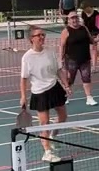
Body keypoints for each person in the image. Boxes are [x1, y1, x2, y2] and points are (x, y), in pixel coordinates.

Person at [20, 26, 71, 163]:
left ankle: (53, 136)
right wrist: (23, 97)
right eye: (38, 35)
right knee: (44, 123)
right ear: (31, 39)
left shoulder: (50, 52)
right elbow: (24, 79)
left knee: (63, 116)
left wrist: (66, 85)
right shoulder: (27, 57)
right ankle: (47, 152)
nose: (42, 37)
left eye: (43, 34)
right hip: (40, 93)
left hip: (54, 88)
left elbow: (59, 70)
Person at [58, 11, 98, 107]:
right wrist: (61, 58)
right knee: (70, 79)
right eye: (72, 18)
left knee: (86, 78)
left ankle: (89, 97)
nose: (75, 20)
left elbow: (91, 40)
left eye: (76, 17)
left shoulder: (84, 28)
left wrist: (97, 39)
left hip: (85, 59)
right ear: (69, 20)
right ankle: (65, 96)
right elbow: (62, 46)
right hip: (71, 60)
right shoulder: (66, 31)